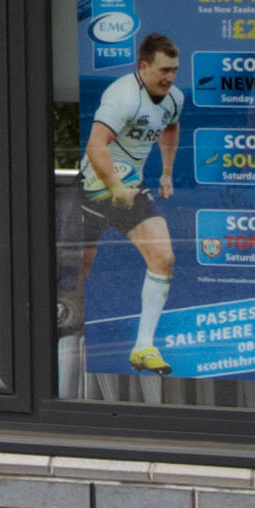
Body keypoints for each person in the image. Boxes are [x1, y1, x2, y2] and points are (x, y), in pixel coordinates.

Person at [83, 32, 190, 376]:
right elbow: (96, 146)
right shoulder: (123, 96)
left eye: (174, 69)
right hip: (92, 187)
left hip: (130, 186)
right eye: (163, 70)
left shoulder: (174, 98)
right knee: (77, 273)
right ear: (143, 67)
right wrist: (114, 186)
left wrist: (167, 173)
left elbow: (170, 129)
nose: (170, 77)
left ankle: (143, 347)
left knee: (164, 256)